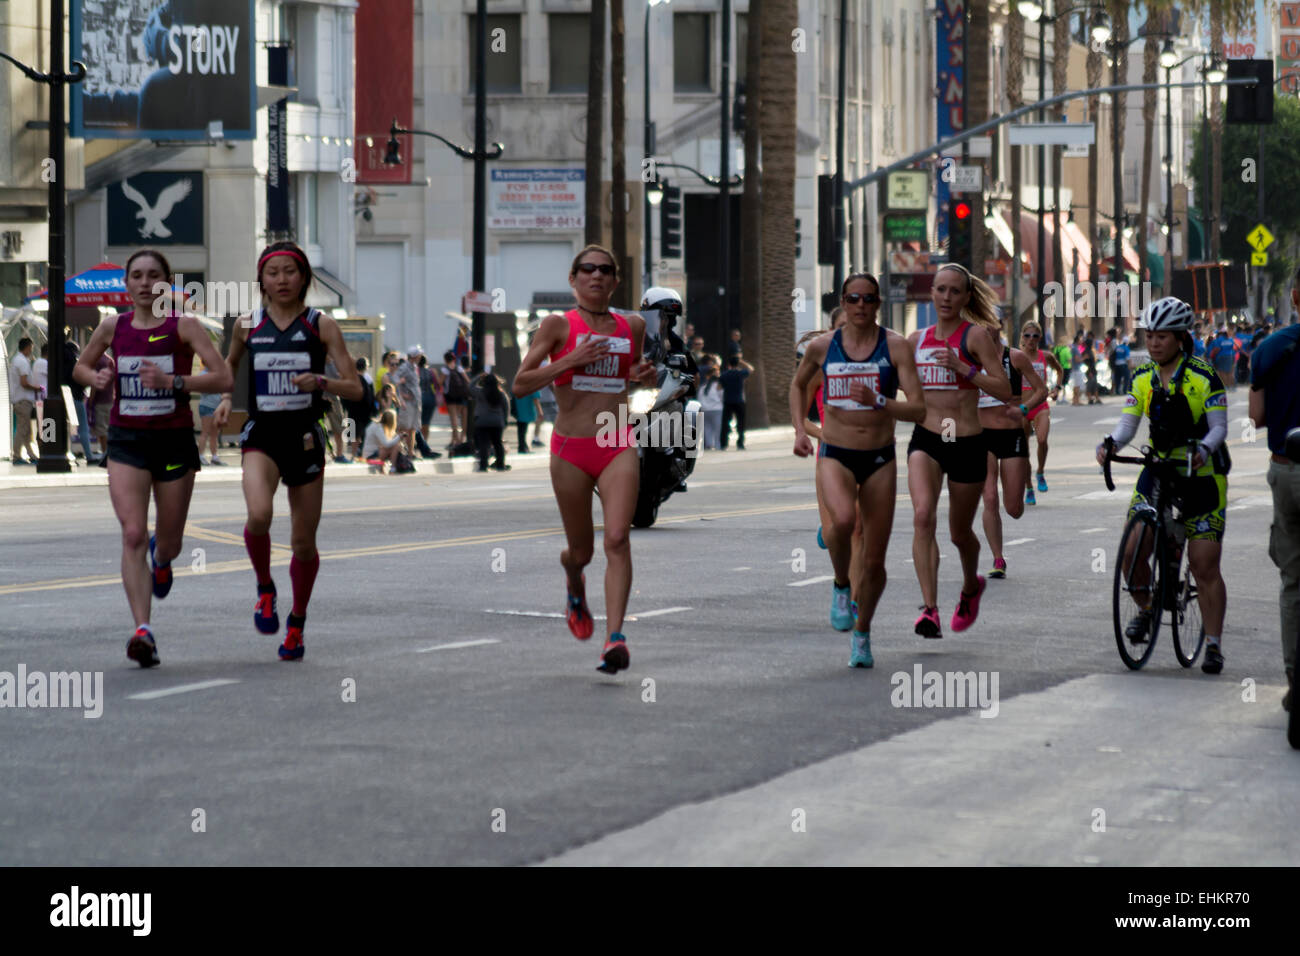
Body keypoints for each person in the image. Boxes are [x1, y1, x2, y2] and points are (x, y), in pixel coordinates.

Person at [72, 248, 234, 667]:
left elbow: (223, 376)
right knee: (131, 535)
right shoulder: (112, 326)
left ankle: (163, 559)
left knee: (170, 541)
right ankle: (143, 630)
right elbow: (80, 369)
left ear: (167, 284)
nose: (145, 284)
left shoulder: (186, 327)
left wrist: (174, 381)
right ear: (127, 284)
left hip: (174, 439)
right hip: (127, 440)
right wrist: (97, 376)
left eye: (154, 277)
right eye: (137, 276)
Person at [212, 241, 363, 662]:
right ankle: (264, 588)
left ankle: (296, 622)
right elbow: (231, 367)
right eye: (272, 272)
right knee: (259, 515)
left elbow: (356, 387)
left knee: (302, 544)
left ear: (304, 278)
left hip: (305, 438)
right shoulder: (246, 324)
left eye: (289, 272)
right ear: (261, 279)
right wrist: (226, 399)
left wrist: (323, 382)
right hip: (262, 434)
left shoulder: (321, 325)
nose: (281, 280)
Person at [511, 244, 657, 675]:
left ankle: (615, 639)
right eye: (587, 270)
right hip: (571, 448)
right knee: (583, 551)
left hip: (616, 440)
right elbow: (520, 384)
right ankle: (574, 582)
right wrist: (571, 359)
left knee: (617, 538)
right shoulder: (557, 325)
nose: (597, 276)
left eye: (605, 270)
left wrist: (641, 379)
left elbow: (631, 387)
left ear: (615, 281)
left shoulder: (631, 326)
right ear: (573, 280)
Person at [792, 273, 925, 667]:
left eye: (868, 299)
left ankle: (863, 633)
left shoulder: (896, 347)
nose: (861, 306)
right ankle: (839, 584)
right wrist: (800, 430)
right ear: (844, 303)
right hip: (835, 451)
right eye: (853, 299)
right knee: (844, 522)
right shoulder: (822, 347)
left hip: (880, 457)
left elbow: (918, 409)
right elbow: (798, 386)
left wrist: (881, 401)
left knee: (875, 561)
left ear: (878, 303)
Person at [1095, 297, 1230, 674]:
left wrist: (1204, 449)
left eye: (1162, 336)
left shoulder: (1205, 377)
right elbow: (1127, 426)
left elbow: (1219, 427)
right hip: (1158, 470)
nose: (1153, 343)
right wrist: (1110, 444)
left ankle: (1214, 645)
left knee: (1204, 565)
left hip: (1201, 476)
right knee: (1131, 552)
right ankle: (1149, 609)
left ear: (1180, 338)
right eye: (1149, 335)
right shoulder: (1142, 379)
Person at [906, 264, 1011, 639]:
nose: (946, 297)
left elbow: (1002, 389)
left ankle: (970, 586)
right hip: (928, 438)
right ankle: (930, 610)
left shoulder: (976, 337)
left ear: (966, 297)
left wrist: (963, 368)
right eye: (940, 290)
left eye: (954, 291)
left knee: (959, 533)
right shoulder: (916, 339)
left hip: (964, 439)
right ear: (931, 293)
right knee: (922, 517)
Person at [1248, 276, 1300, 712]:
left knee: (1293, 580)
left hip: (1284, 470)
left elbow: (1257, 415)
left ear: (1295, 298)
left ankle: (1293, 679)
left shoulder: (1268, 348)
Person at [979, 317, 1049, 578]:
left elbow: (1042, 390)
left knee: (1013, 508)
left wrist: (1023, 408)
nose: (986, 329)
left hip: (1011, 436)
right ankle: (998, 559)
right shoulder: (970, 361)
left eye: (990, 323)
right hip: (981, 436)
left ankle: (1026, 490)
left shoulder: (1015, 358)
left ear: (1000, 325)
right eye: (980, 323)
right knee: (989, 497)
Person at [1018, 320, 1062, 505]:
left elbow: (1059, 370)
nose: (1031, 339)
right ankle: (1028, 488)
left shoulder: (1046, 356)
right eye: (1027, 335)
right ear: (1022, 337)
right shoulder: (1016, 357)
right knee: (1024, 452)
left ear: (1040, 338)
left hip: (1041, 406)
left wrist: (1057, 387)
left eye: (1035, 336)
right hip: (1022, 407)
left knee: (1042, 439)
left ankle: (1040, 472)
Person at [62, 337, 95, 462]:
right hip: (77, 398)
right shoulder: (76, 364)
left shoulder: (60, 365)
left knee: (67, 427)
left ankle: (68, 452)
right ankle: (89, 455)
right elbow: (84, 382)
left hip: (65, 399)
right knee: (83, 427)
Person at [471, 371, 511, 471]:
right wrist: (505, 420)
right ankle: (500, 464)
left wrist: (479, 377)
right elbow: (506, 408)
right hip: (497, 422)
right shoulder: (501, 394)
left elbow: (470, 386)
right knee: (498, 443)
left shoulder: (480, 392)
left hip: (482, 422)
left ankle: (483, 466)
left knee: (483, 444)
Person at [8, 336, 38, 464]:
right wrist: (37, 388)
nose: (31, 351)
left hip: (20, 400)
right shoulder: (22, 361)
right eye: (31, 348)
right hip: (23, 400)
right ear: (27, 347)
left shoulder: (17, 360)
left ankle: (31, 455)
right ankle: (16, 456)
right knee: (22, 429)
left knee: (26, 430)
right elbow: (24, 382)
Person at [719, 351, 753, 450]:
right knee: (741, 423)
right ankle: (740, 443)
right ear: (737, 364)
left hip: (728, 400)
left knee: (725, 423)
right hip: (739, 400)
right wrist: (741, 361)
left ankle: (723, 444)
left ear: (729, 364)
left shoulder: (724, 374)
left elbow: (720, 387)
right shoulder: (740, 373)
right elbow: (751, 369)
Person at [393, 347, 423, 454]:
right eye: (418, 355)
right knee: (403, 428)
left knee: (412, 428)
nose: (420, 357)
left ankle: (411, 452)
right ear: (414, 356)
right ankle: (398, 451)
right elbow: (395, 381)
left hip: (415, 402)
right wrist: (401, 397)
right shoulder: (404, 367)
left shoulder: (414, 367)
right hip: (408, 403)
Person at [196, 358, 226, 465]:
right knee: (205, 432)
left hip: (217, 407)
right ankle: (200, 456)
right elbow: (201, 389)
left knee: (214, 434)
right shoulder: (202, 375)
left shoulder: (216, 374)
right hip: (207, 406)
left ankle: (214, 457)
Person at [441, 349, 470, 449]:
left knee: (454, 418)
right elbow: (467, 380)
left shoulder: (445, 370)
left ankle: (455, 440)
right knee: (463, 418)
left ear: (445, 360)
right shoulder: (459, 368)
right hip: (461, 396)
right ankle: (462, 438)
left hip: (450, 396)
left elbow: (441, 382)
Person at [361, 408, 403, 473]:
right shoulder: (378, 427)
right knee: (395, 446)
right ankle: (392, 468)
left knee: (395, 446)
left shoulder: (377, 425)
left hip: (371, 453)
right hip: (370, 456)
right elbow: (386, 444)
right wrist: (399, 437)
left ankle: (382, 468)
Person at [698, 356, 724, 450]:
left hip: (705, 410)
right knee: (718, 429)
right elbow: (722, 397)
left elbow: (699, 399)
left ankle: (709, 445)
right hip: (717, 409)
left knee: (707, 428)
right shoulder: (718, 386)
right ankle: (718, 445)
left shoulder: (703, 387)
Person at [513, 387, 542, 454]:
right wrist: (540, 411)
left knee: (521, 429)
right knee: (523, 430)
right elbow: (536, 399)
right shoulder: (532, 386)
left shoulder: (519, 385)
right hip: (527, 410)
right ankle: (522, 447)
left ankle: (523, 446)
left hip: (518, 409)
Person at [1052, 335, 1073, 404]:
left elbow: (1054, 358)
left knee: (1059, 383)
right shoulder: (1066, 350)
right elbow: (1069, 360)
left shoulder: (1056, 349)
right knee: (1064, 384)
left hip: (1058, 368)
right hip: (1066, 367)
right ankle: (1063, 398)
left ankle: (1057, 397)